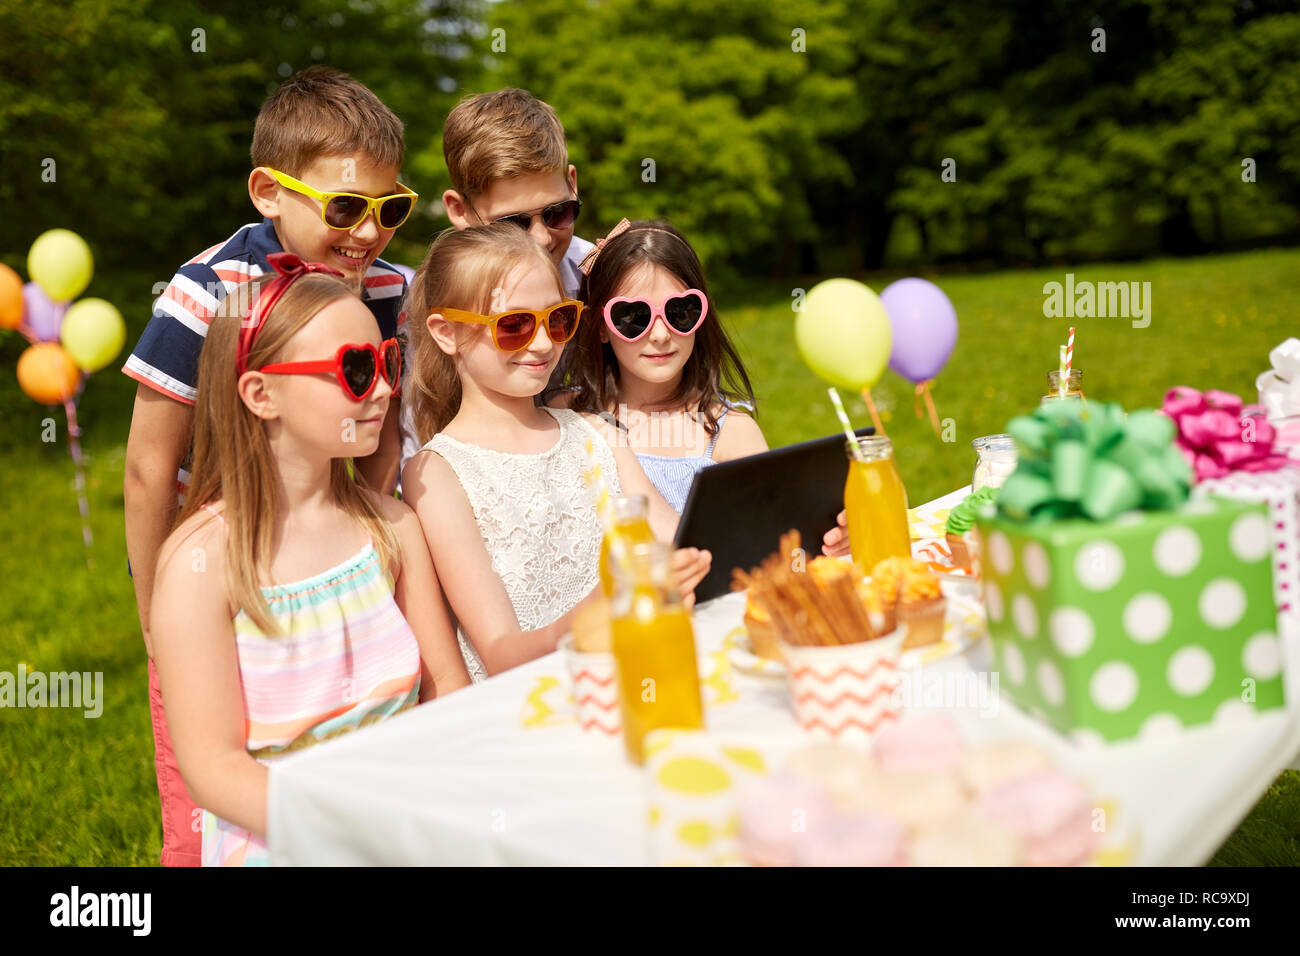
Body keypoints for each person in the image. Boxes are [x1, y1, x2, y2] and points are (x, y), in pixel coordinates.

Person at [122, 65, 417, 867]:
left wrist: (372, 532)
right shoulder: (209, 290)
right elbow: (150, 464)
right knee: (204, 792)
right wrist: (156, 613)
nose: (368, 233)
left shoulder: (383, 286)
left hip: (326, 547)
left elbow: (382, 427)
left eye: (390, 209)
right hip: (220, 562)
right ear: (268, 192)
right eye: (345, 208)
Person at [151, 253, 470, 866]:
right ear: (261, 394)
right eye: (355, 369)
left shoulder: (392, 527)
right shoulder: (201, 564)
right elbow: (215, 768)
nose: (385, 389)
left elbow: (446, 688)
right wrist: (354, 831)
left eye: (387, 362)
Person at [400, 224, 711, 682]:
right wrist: (593, 614)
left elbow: (683, 543)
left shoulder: (597, 433)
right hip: (538, 704)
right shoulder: (437, 473)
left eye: (558, 319)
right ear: (447, 333)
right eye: (514, 326)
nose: (545, 343)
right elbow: (501, 653)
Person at [562, 219, 768, 512]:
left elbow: (770, 531)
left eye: (679, 311)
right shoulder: (563, 415)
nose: (660, 335)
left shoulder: (732, 434)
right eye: (634, 317)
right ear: (599, 326)